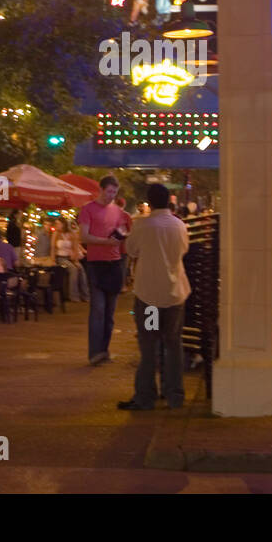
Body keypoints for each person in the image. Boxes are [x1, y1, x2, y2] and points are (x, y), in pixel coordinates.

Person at [118, 183, 191, 411]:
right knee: (173, 344)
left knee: (149, 345)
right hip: (175, 295)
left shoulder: (143, 226)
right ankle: (175, 395)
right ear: (168, 199)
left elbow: (131, 250)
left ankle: (146, 396)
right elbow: (184, 250)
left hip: (150, 298)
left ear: (149, 201)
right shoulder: (179, 226)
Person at [78, 175, 128, 365]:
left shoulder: (118, 211)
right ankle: (94, 352)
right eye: (109, 192)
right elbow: (84, 236)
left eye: (114, 192)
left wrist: (121, 235)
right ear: (101, 190)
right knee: (98, 309)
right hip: (96, 263)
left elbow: (122, 231)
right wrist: (106, 242)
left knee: (110, 312)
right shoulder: (88, 209)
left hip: (114, 263)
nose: (111, 196)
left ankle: (104, 350)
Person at [54, 221, 86, 302]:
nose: (57, 225)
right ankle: (73, 296)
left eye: (58, 223)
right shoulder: (56, 234)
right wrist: (53, 260)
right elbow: (53, 248)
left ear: (63, 224)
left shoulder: (71, 234)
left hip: (69, 258)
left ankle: (85, 295)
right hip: (60, 258)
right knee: (74, 270)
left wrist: (76, 261)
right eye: (56, 224)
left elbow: (75, 248)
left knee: (81, 269)